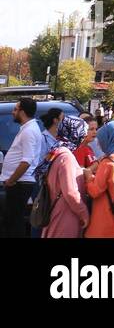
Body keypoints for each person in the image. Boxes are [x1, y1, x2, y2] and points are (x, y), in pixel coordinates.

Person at [39, 115, 90, 238]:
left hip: (56, 212)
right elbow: (70, 192)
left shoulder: (56, 151)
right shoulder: (66, 157)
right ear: (76, 134)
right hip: (65, 217)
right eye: (83, 133)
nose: (84, 137)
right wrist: (84, 213)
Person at [2, 97, 42, 238]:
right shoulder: (27, 129)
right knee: (11, 221)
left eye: (15, 109)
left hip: (20, 183)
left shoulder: (29, 131)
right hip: (17, 182)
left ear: (22, 112)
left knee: (14, 223)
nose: (13, 112)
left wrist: (12, 180)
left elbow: (27, 161)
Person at [84, 119, 114, 239]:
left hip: (104, 220)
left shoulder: (108, 163)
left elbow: (94, 191)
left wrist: (89, 177)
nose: (99, 143)